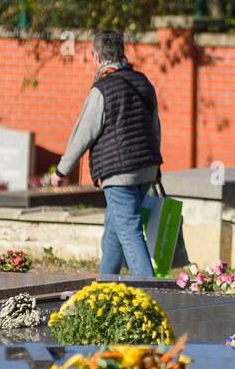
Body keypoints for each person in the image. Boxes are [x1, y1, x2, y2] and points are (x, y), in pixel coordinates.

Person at [52, 30, 161, 277]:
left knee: (130, 231)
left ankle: (152, 293)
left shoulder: (102, 89)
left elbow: (83, 133)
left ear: (96, 56)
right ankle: (104, 287)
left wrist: (61, 171)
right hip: (146, 169)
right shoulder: (143, 81)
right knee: (113, 230)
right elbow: (155, 125)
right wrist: (155, 163)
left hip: (118, 173)